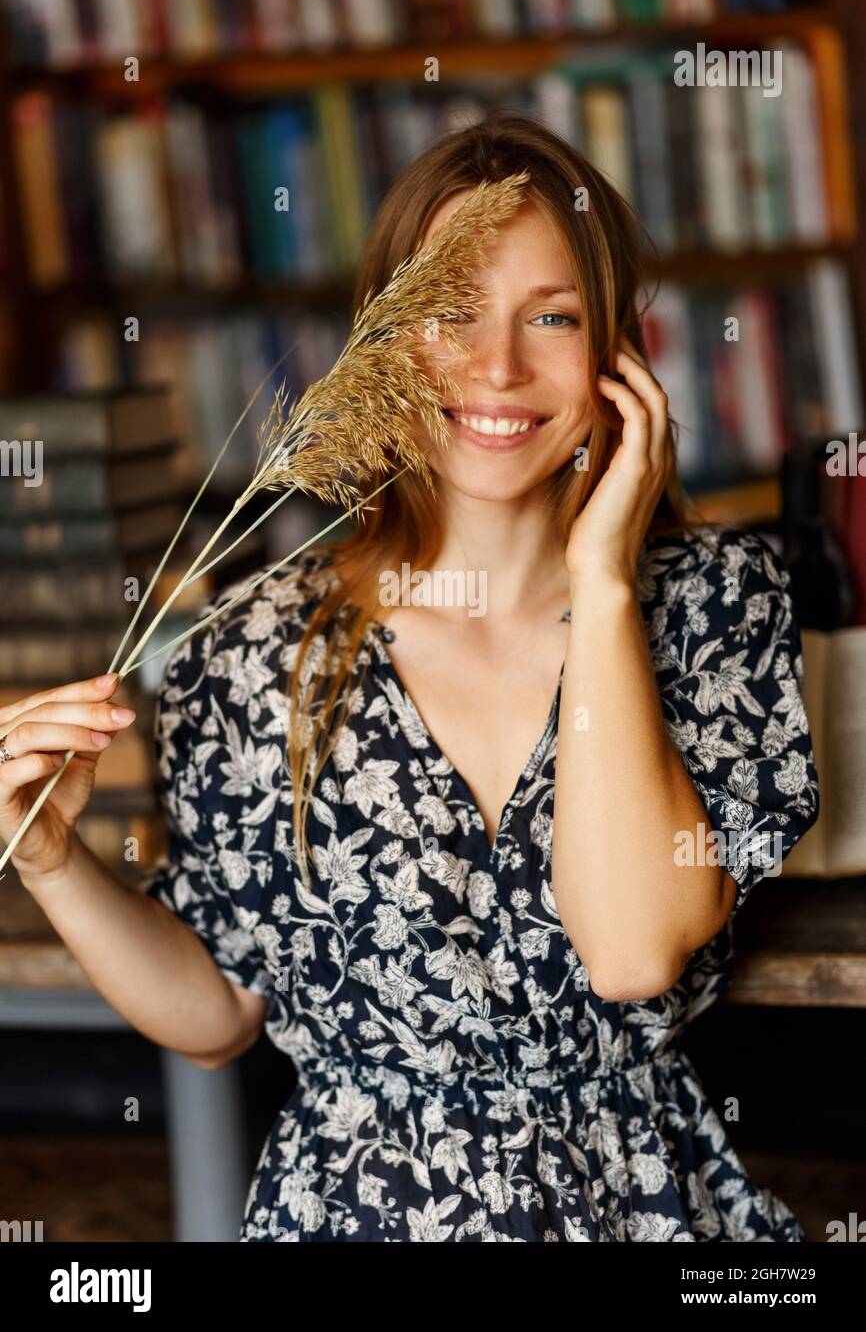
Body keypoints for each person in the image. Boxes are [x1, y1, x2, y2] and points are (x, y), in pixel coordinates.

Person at [1, 115, 819, 1242]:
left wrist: (603, 580)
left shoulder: (718, 602)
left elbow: (630, 953)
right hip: (355, 1213)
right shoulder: (253, 646)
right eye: (447, 313)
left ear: (620, 351)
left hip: (629, 1204)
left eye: (551, 317)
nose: (496, 368)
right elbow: (215, 1012)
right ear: (380, 344)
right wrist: (50, 859)